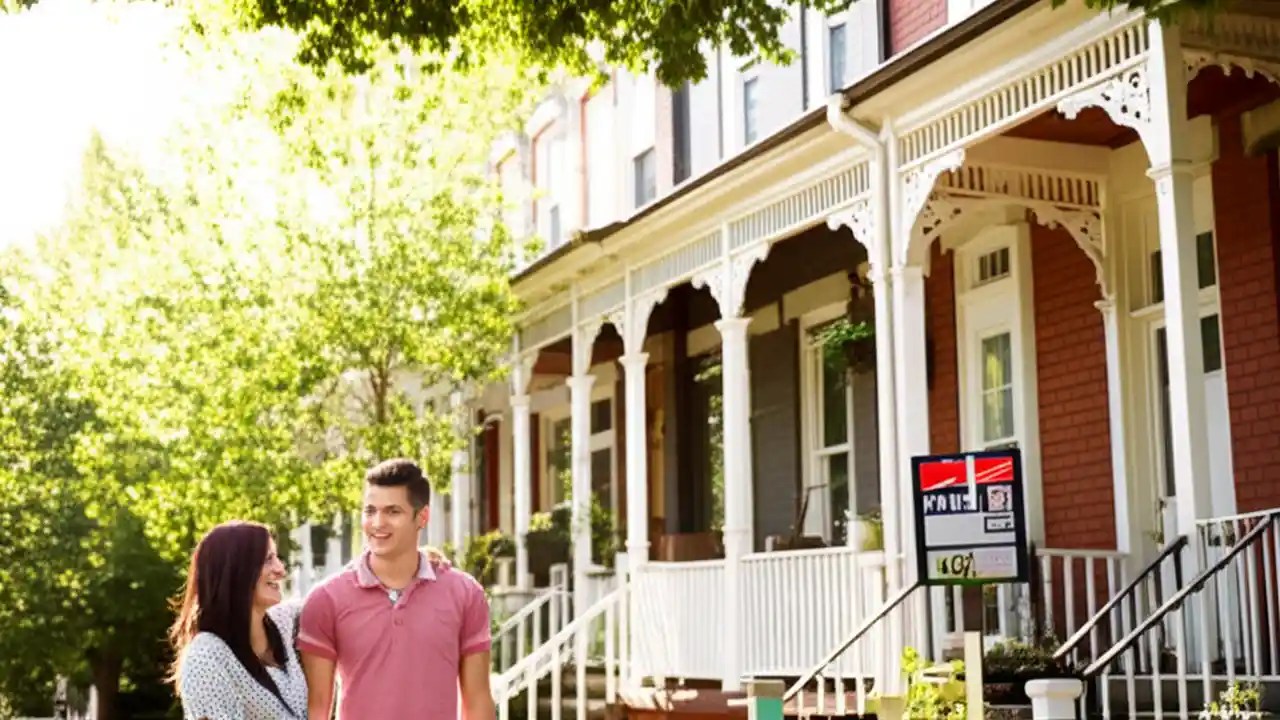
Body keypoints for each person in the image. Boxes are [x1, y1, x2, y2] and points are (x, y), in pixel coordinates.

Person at [297, 458, 494, 720]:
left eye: (392, 511)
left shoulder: (465, 594)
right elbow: (317, 708)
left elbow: (478, 699)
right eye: (370, 511)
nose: (377, 523)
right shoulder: (326, 600)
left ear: (422, 516)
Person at [170, 520, 307, 720]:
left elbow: (333, 595)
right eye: (268, 559)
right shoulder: (206, 658)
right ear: (237, 570)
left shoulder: (283, 624)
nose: (280, 570)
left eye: (277, 558)